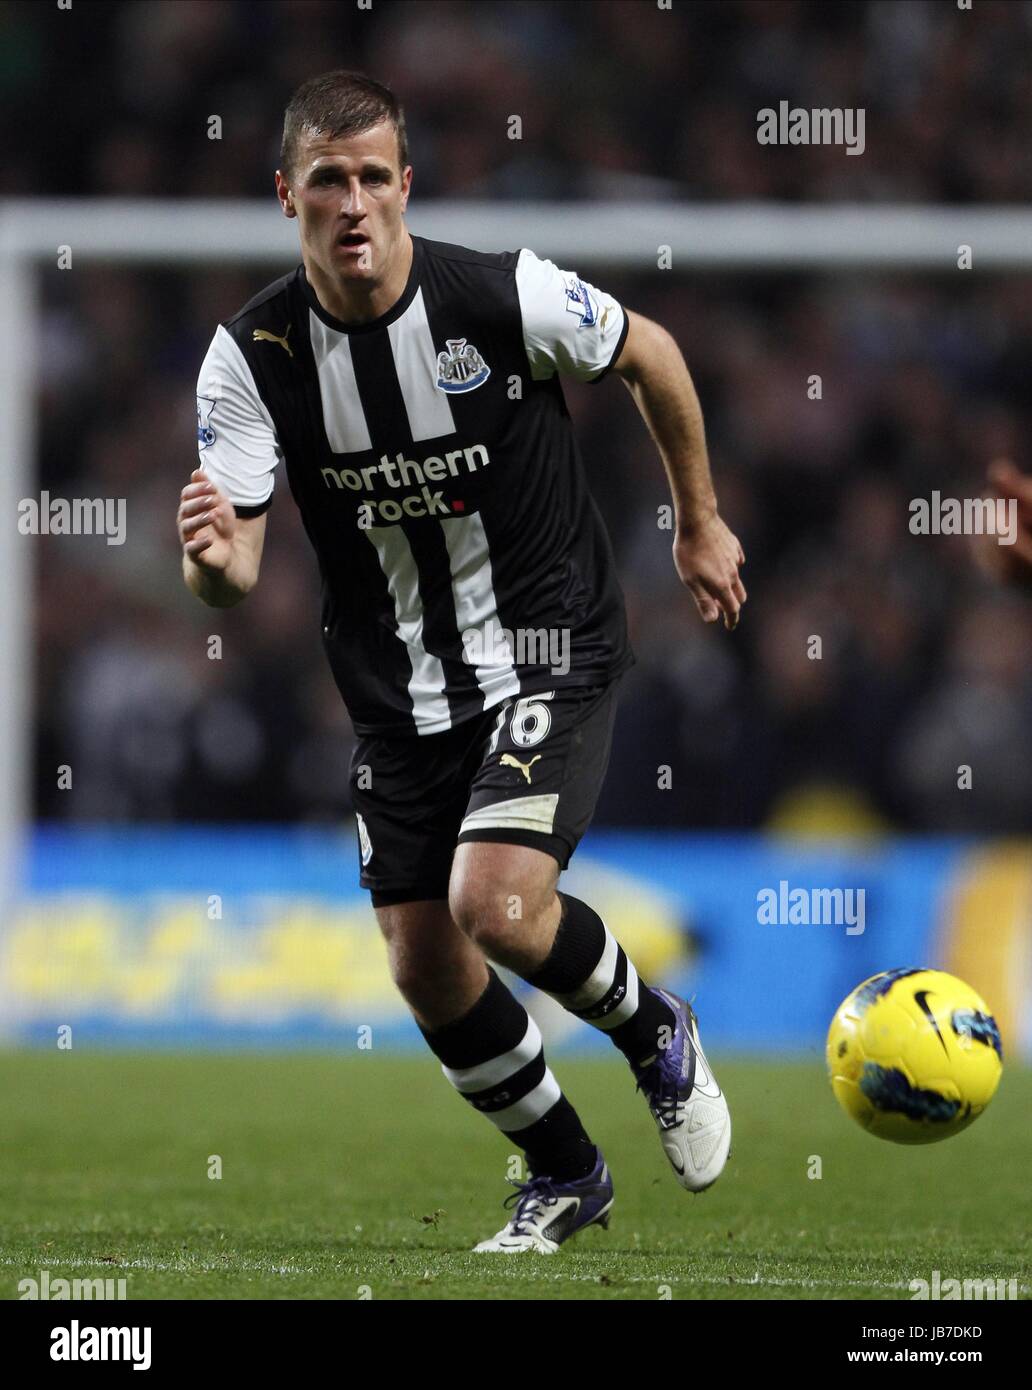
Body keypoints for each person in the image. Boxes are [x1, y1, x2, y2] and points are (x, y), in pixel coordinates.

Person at [178, 70, 745, 1253]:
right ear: (285, 196)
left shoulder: (498, 296)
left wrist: (696, 520)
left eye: (373, 177)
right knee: (423, 961)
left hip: (550, 644)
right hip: (397, 694)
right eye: (326, 180)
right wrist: (213, 561)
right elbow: (230, 571)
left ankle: (655, 1031)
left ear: (405, 187)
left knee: (492, 903)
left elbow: (653, 352)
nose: (352, 203)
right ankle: (566, 1173)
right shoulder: (251, 357)